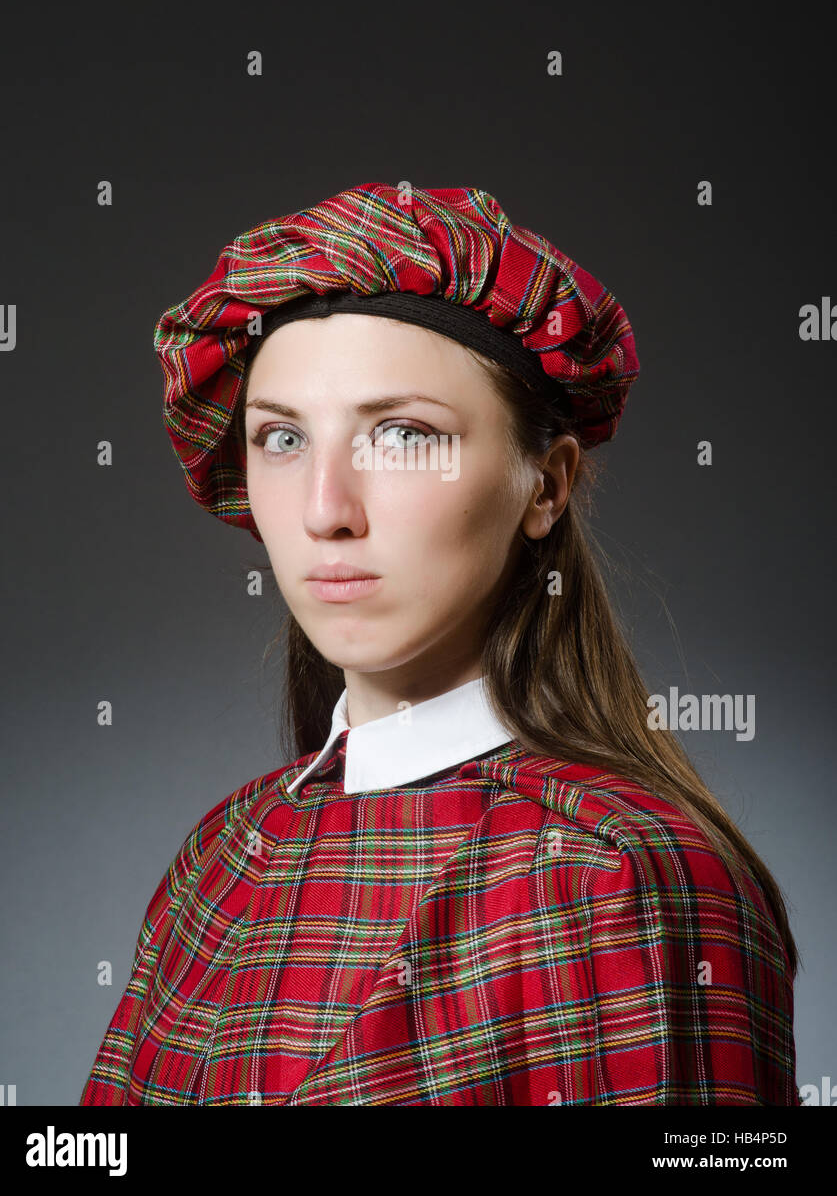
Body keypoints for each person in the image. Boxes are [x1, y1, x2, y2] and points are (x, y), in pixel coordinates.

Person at [79, 182, 800, 1106]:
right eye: (281, 438)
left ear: (545, 486)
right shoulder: (217, 859)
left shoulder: (625, 871)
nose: (325, 510)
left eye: (403, 434)